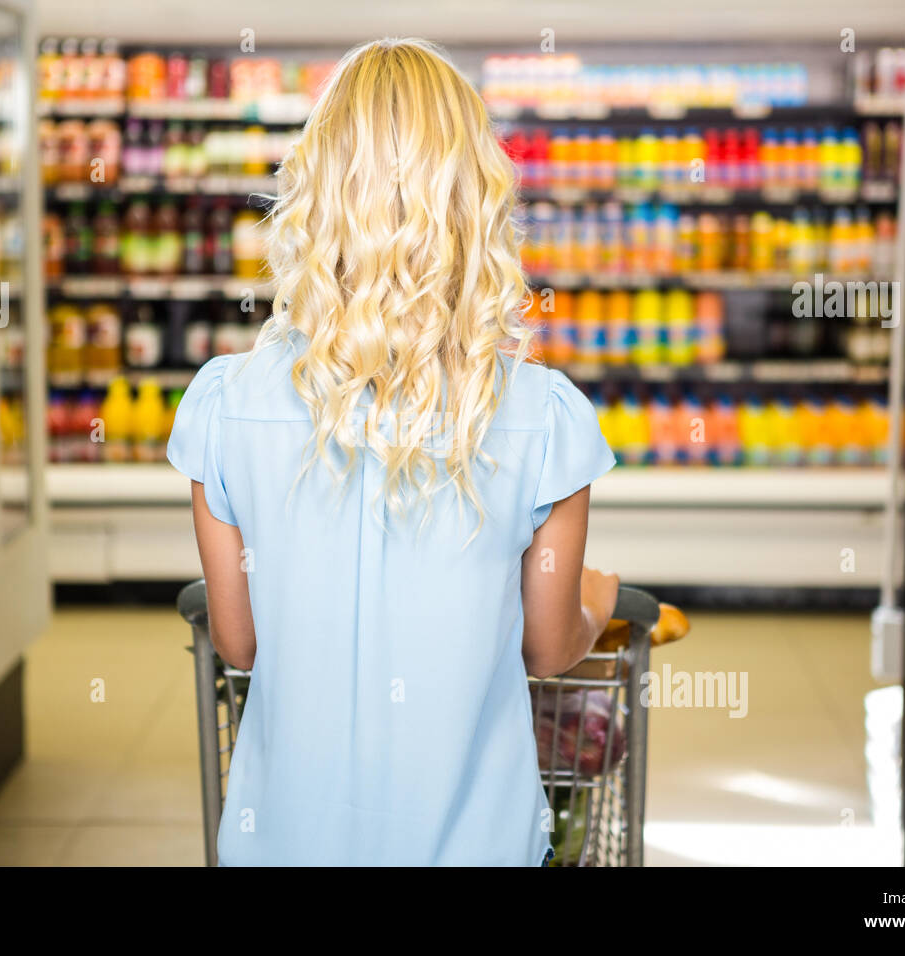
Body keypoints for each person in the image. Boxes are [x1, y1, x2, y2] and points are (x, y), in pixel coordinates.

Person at [168, 38, 619, 866]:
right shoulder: (542, 417)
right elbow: (548, 649)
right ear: (475, 197)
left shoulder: (226, 406)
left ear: (318, 194)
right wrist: (598, 600)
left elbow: (239, 642)